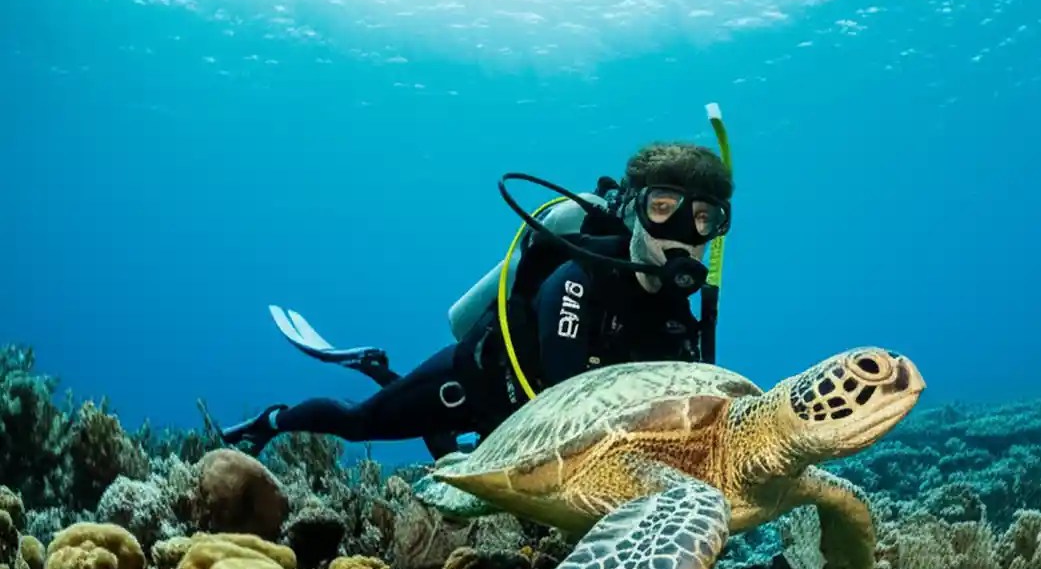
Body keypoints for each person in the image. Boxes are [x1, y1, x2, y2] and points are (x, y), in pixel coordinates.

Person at [217, 141, 734, 461]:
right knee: (360, 424)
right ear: (634, 213)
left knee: (450, 458)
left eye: (705, 218)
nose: (685, 232)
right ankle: (274, 420)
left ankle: (380, 369)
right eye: (664, 209)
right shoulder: (581, 278)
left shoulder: (681, 321)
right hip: (478, 384)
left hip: (521, 432)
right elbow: (563, 403)